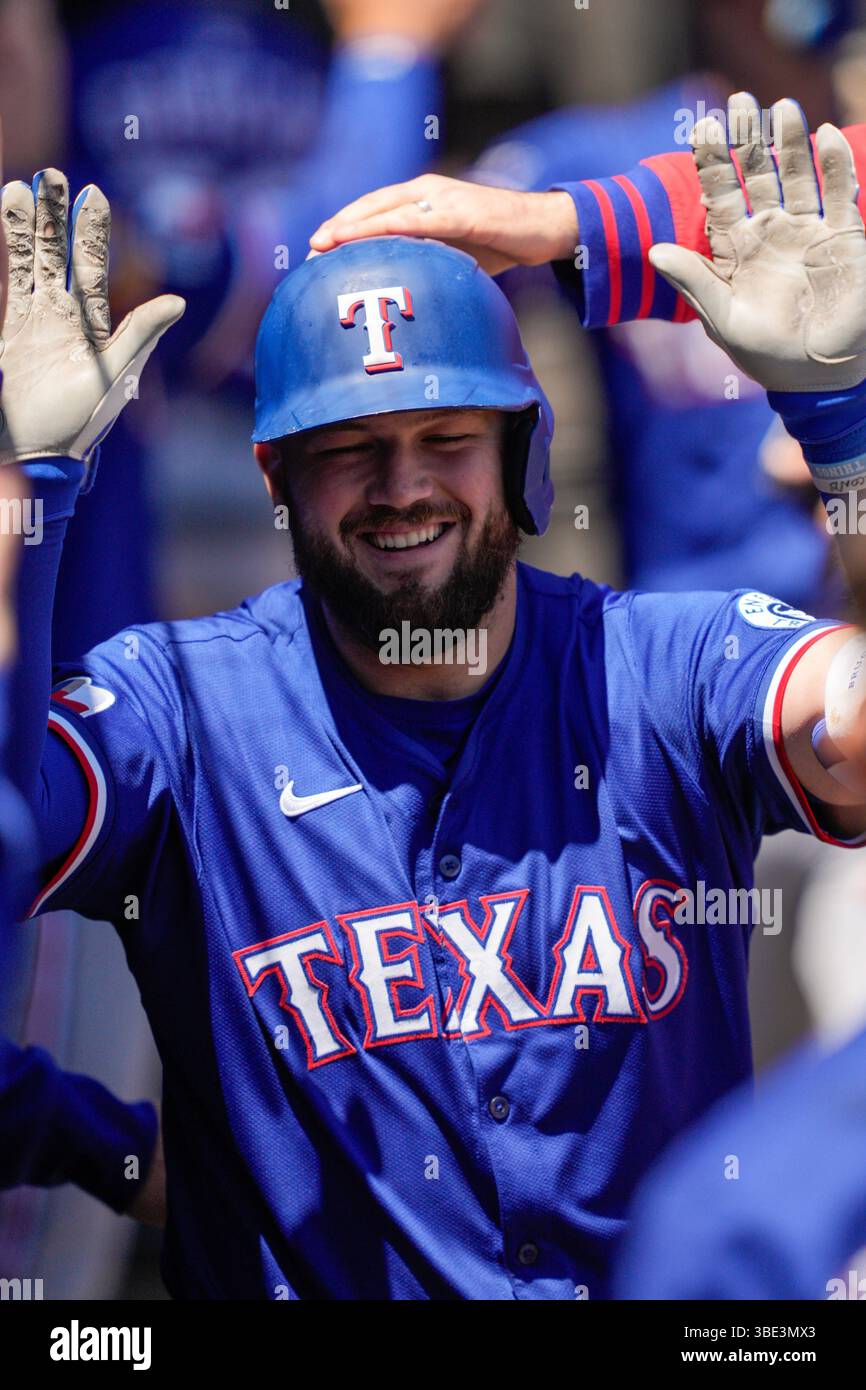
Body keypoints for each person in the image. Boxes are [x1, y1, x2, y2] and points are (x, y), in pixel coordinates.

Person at [7, 92, 866, 1300]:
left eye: (444, 436)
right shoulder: (180, 709)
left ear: (523, 450)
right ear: (278, 475)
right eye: (348, 447)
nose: (401, 488)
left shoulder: (660, 667)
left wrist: (845, 435)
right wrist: (20, 501)